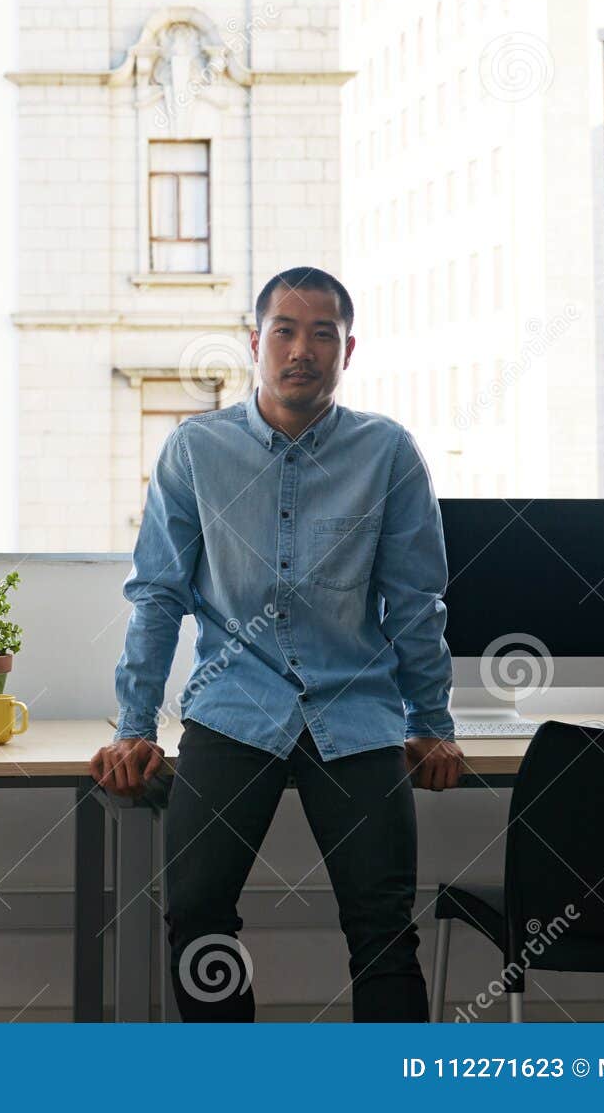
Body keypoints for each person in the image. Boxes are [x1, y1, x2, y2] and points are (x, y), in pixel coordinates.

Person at [90, 266, 463, 1022]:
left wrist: (432, 722)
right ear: (254, 342)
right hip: (235, 705)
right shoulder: (195, 450)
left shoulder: (387, 453)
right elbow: (158, 594)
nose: (302, 349)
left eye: (322, 333)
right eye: (285, 331)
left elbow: (416, 603)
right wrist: (135, 725)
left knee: (384, 929)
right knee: (197, 917)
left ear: (347, 350)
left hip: (355, 710)